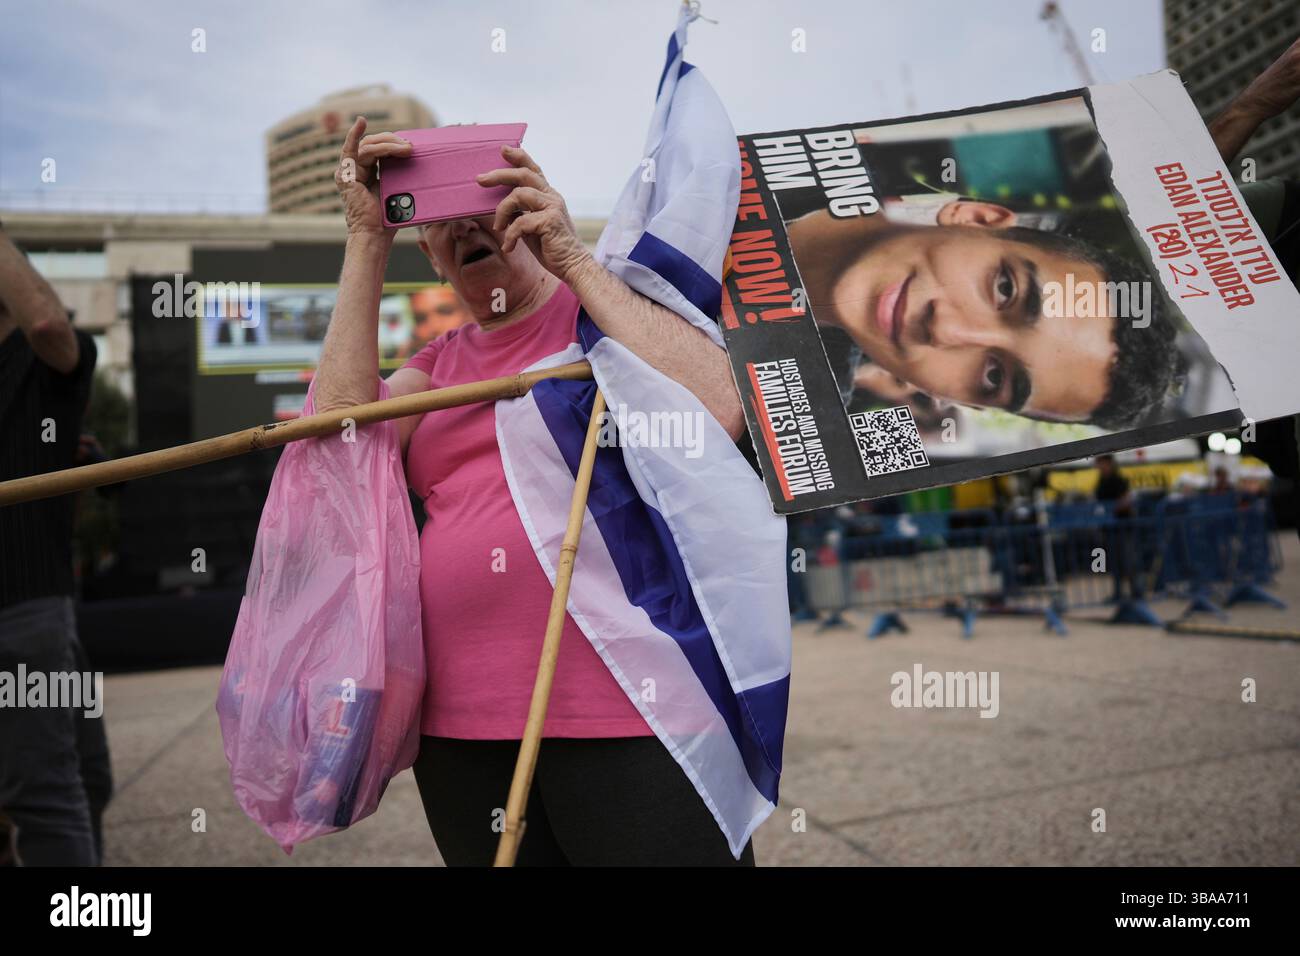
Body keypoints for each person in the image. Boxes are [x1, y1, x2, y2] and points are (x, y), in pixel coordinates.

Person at [314, 117, 751, 866]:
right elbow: (333, 449)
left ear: (526, 202)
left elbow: (723, 410)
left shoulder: (608, 311)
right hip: (462, 729)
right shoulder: (438, 363)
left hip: (637, 707)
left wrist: (574, 258)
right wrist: (365, 239)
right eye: (436, 220)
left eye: (478, 204)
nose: (462, 229)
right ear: (429, 254)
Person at [786, 197, 1183, 430]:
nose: (946, 328)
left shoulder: (785, 415)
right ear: (976, 219)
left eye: (993, 377)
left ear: (961, 401)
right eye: (1005, 289)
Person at [0, 222, 112, 866]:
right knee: (49, 793)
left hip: (37, 609)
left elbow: (47, 328)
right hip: (27, 613)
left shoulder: (42, 363)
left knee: (81, 780)